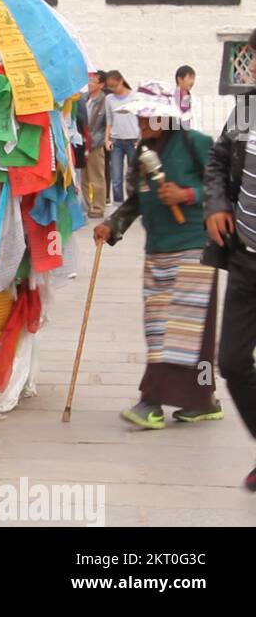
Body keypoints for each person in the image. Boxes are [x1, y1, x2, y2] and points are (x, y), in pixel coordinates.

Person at [94, 82, 218, 431]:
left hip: (195, 246)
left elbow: (224, 187)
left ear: (167, 117)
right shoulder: (142, 154)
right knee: (160, 326)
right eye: (141, 119)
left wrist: (187, 194)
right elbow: (135, 201)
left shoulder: (196, 145)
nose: (143, 125)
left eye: (149, 119)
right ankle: (203, 399)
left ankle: (152, 401)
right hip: (158, 250)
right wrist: (112, 224)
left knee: (183, 329)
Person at [204, 28, 256, 493]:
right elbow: (218, 161)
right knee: (233, 361)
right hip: (246, 260)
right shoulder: (246, 110)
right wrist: (217, 204)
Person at [105, 70, 139, 205]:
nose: (113, 89)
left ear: (121, 81)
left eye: (114, 86)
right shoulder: (109, 99)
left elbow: (141, 118)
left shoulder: (135, 97)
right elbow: (109, 120)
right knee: (116, 177)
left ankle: (134, 204)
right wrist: (107, 139)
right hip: (116, 141)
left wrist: (140, 137)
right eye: (110, 87)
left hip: (133, 140)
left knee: (133, 176)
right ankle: (118, 205)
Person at [82, 70, 108, 218]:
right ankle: (85, 206)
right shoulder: (84, 98)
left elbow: (108, 125)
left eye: (93, 81)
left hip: (95, 145)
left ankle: (98, 208)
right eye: (89, 80)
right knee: (83, 178)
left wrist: (98, 140)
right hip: (82, 144)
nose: (90, 83)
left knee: (97, 177)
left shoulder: (105, 102)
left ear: (102, 85)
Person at [175, 65, 196, 129]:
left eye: (193, 78)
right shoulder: (172, 98)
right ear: (180, 79)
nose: (192, 82)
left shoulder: (191, 99)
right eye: (189, 78)